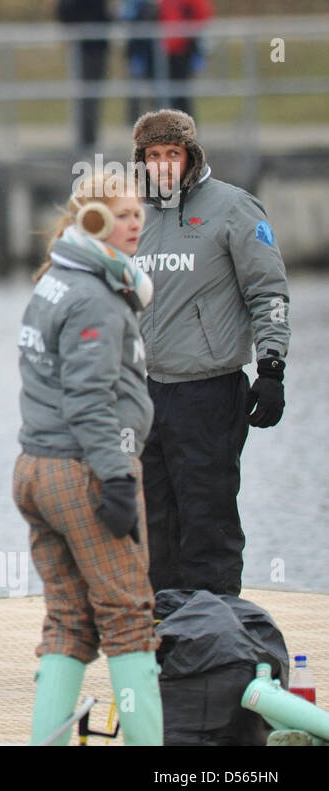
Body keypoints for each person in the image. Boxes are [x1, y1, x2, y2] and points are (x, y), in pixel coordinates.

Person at [14, 170, 162, 746]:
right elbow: (88, 399)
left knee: (71, 621)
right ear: (92, 221)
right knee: (128, 617)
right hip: (83, 470)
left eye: (136, 213)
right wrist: (118, 478)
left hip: (34, 468)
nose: (133, 223)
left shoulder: (56, 278)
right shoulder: (95, 296)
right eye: (119, 214)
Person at [131, 109, 290, 597]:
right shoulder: (132, 216)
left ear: (190, 157)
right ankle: (167, 642)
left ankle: (218, 636)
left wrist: (272, 367)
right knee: (154, 525)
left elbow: (269, 294)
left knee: (207, 520)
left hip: (209, 392)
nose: (162, 165)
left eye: (171, 155)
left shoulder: (235, 209)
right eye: (152, 156)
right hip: (145, 394)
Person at [56, 0, 110, 150]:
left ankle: (83, 138)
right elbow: (101, 14)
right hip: (94, 46)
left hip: (78, 45)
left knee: (82, 93)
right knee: (92, 93)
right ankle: (89, 138)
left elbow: (63, 12)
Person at [154, 0, 213, 115]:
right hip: (163, 48)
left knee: (182, 93)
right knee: (163, 94)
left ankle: (185, 132)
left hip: (184, 47)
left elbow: (202, 14)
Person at [119, 0, 159, 124]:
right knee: (138, 89)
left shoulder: (142, 6)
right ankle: (139, 121)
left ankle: (141, 121)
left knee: (146, 89)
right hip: (139, 52)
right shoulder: (139, 6)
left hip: (144, 52)